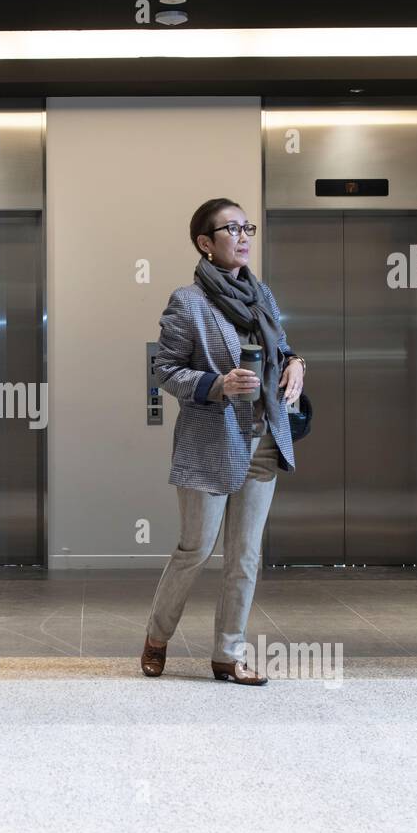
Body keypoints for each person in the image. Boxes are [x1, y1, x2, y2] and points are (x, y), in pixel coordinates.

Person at [140, 198, 306, 686]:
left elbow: (285, 347)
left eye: (246, 226)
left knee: (245, 555)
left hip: (264, 441)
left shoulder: (263, 296)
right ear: (205, 244)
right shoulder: (187, 301)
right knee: (195, 549)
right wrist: (217, 385)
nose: (243, 235)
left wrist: (298, 364)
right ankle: (156, 638)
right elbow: (165, 372)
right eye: (231, 229)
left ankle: (228, 655)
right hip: (210, 444)